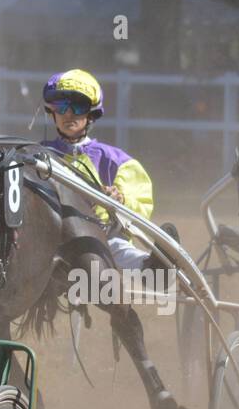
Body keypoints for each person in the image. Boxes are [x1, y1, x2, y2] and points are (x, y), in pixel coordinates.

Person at [40, 69, 174, 274]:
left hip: (97, 239)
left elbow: (141, 201)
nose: (68, 113)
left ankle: (152, 269)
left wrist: (120, 200)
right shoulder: (38, 155)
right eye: (61, 106)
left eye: (77, 106)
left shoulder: (114, 160)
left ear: (91, 114)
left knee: (115, 248)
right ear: (51, 112)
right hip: (48, 239)